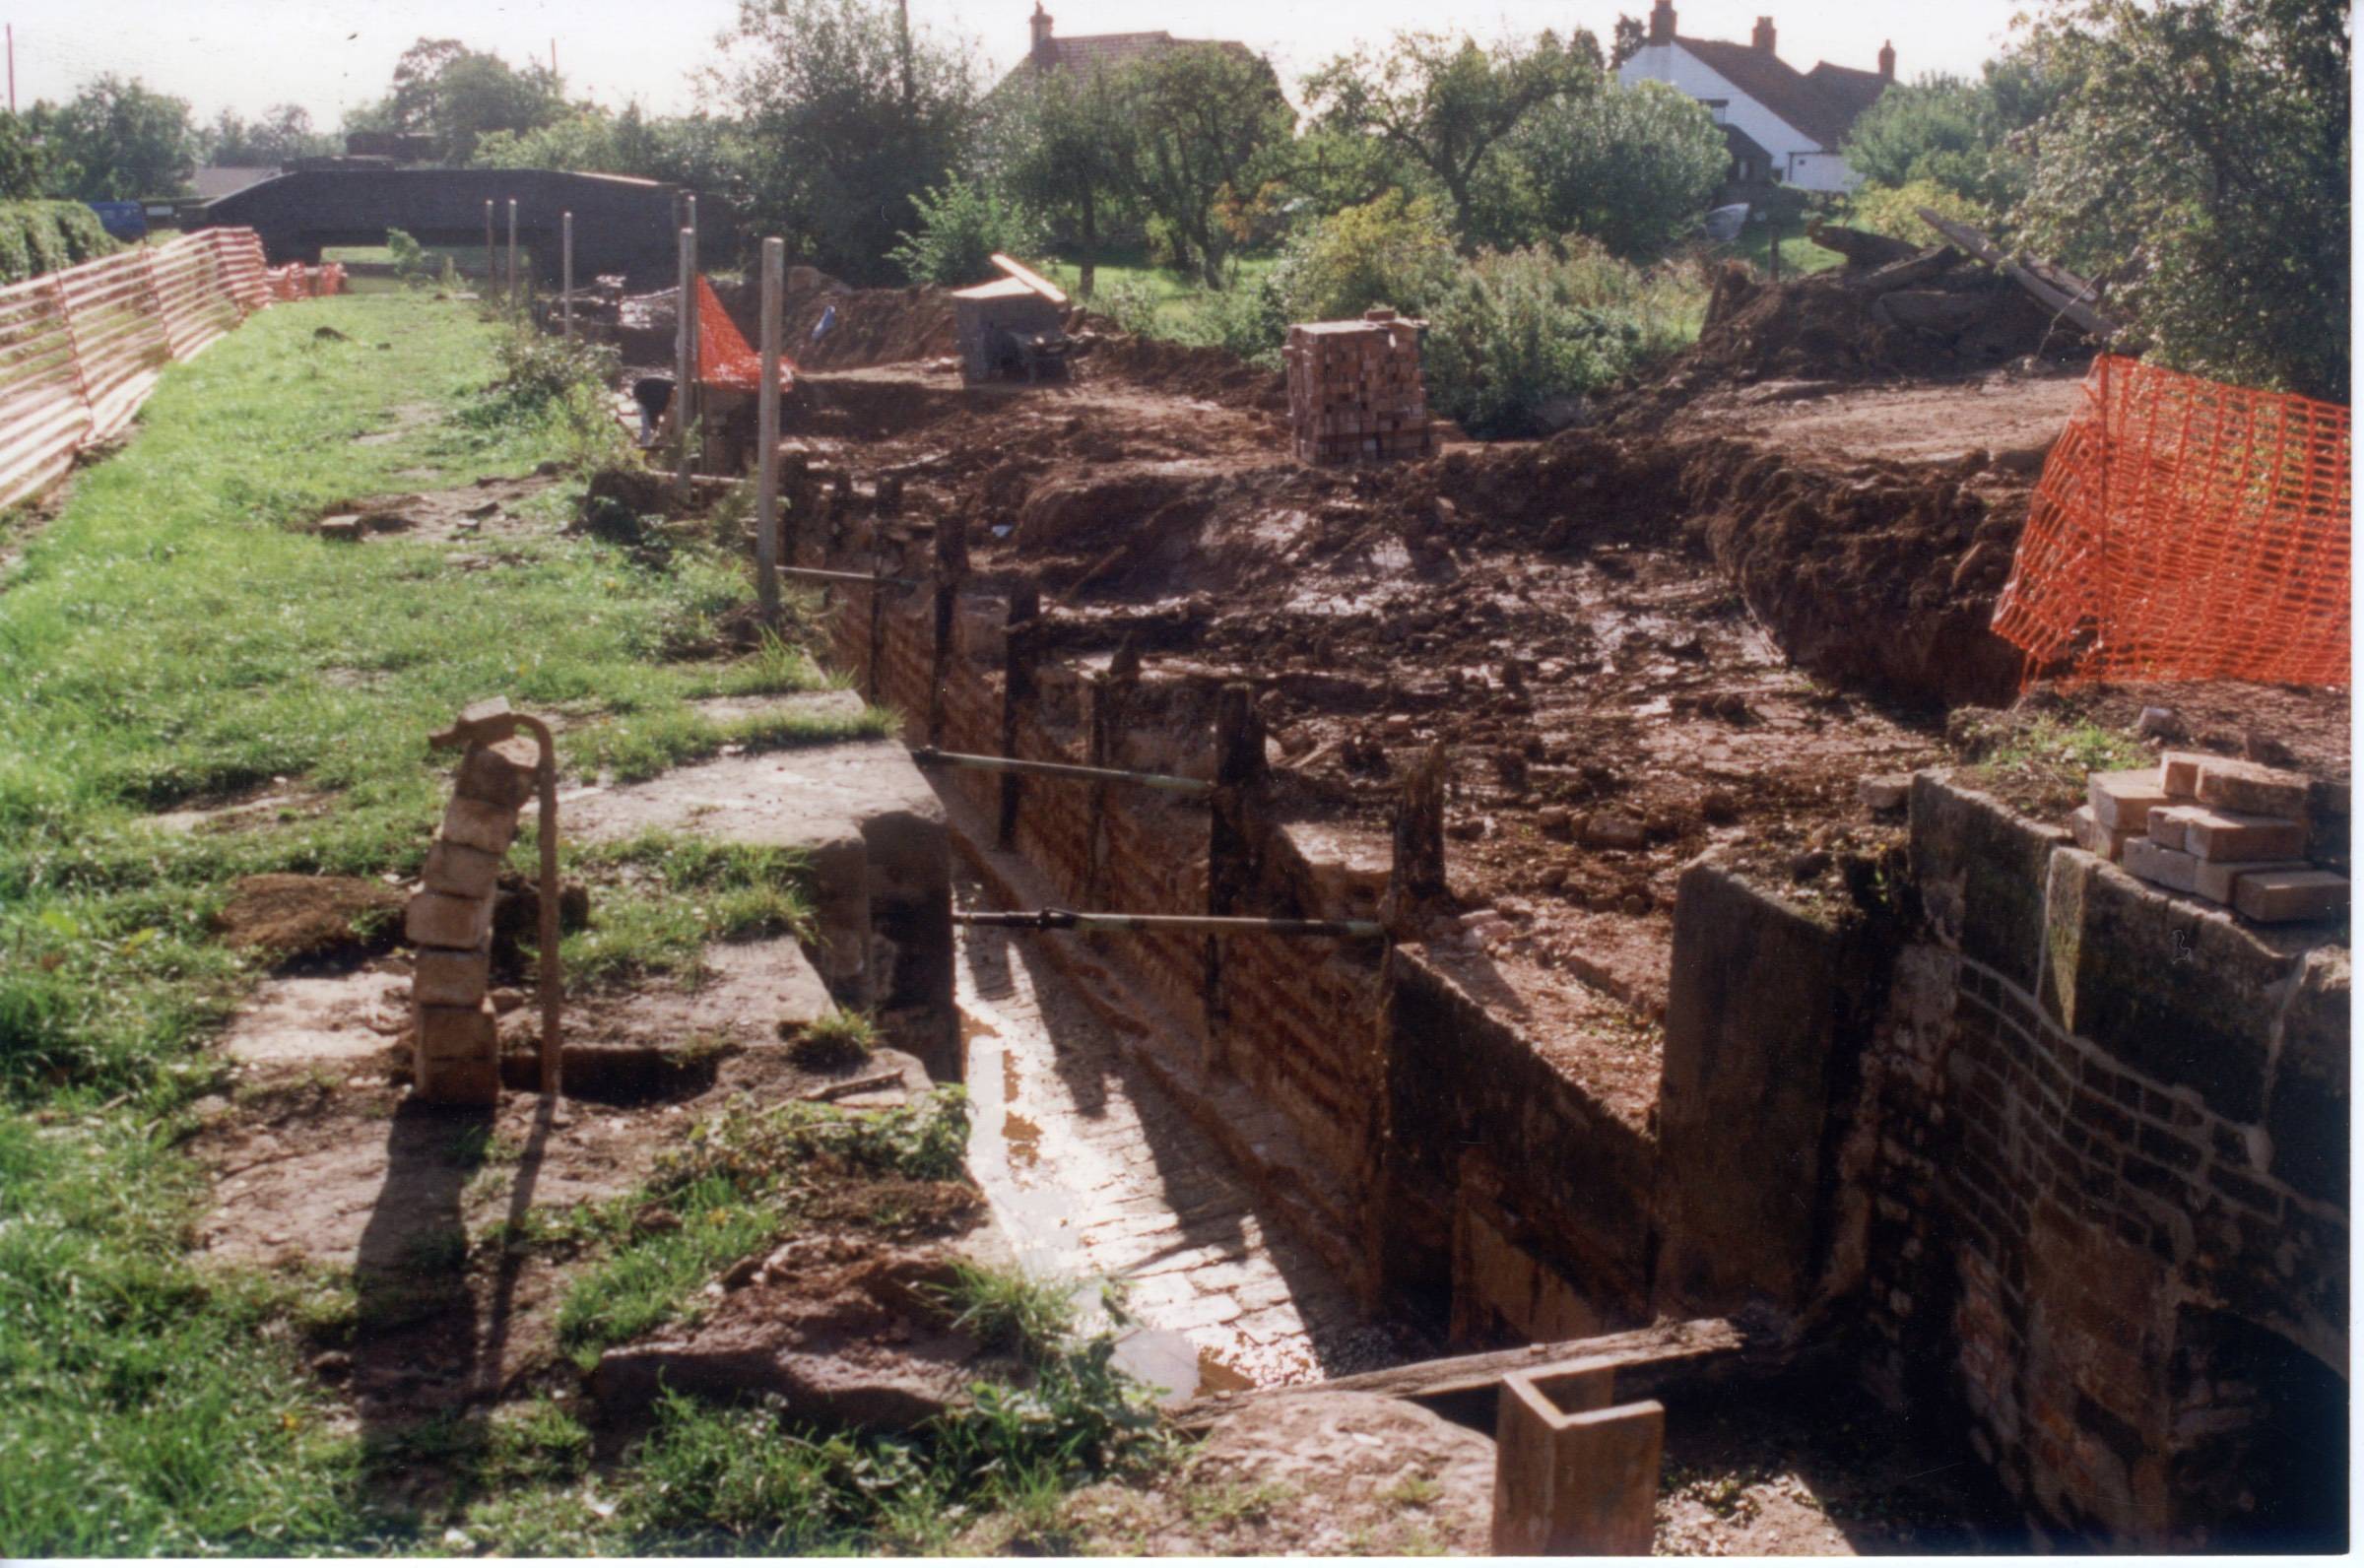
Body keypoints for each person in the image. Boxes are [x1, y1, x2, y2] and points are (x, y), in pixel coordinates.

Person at [631, 375, 675, 446]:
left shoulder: (669, 392)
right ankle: (645, 442)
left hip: (648, 387)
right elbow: (653, 410)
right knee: (646, 418)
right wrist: (655, 424)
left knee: (649, 418)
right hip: (643, 389)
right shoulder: (659, 397)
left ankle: (647, 440)